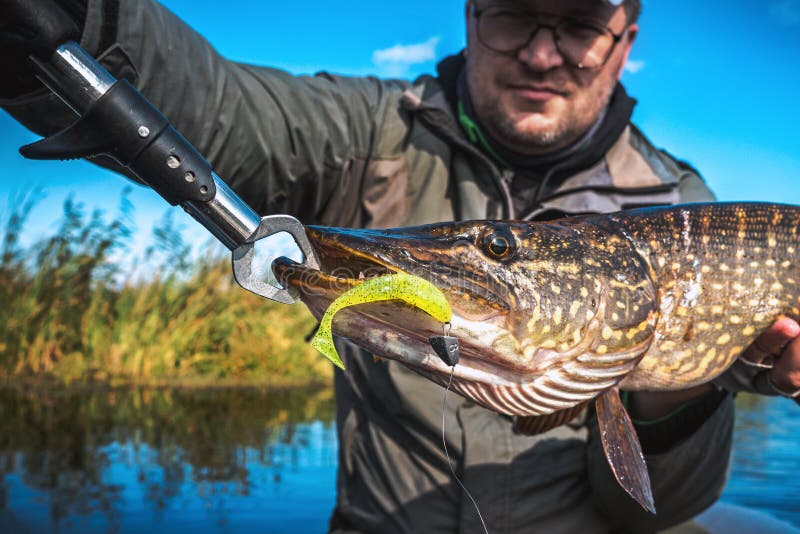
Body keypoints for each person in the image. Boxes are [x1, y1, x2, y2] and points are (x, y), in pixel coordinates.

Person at [2, 0, 799, 532]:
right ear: (473, 13)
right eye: (516, 10)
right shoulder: (373, 129)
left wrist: (675, 393)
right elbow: (206, 101)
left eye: (582, 22)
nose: (543, 50)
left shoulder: (688, 204)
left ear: (623, 41)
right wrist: (82, 19)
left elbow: (656, 515)